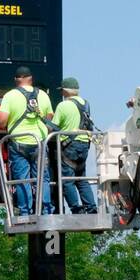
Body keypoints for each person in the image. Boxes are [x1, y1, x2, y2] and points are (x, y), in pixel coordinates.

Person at [0, 65, 54, 216]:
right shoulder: (43, 95)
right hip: (40, 143)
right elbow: (49, 118)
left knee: (23, 180)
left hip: (18, 142)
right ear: (31, 79)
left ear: (16, 80)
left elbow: (1, 121)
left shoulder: (10, 96)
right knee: (43, 178)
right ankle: (46, 210)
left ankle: (25, 211)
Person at [53, 77, 98, 214]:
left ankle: (76, 209)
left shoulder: (63, 105)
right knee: (81, 178)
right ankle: (91, 208)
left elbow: (54, 127)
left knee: (67, 180)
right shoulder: (86, 104)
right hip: (84, 144)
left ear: (65, 91)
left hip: (69, 146)